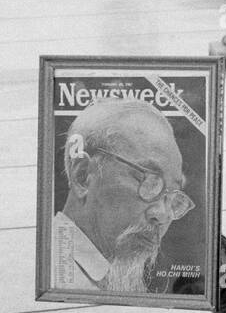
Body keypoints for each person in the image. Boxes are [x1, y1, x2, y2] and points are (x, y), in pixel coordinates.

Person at [53, 101, 193, 294]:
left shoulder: (116, 280)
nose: (162, 215)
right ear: (83, 177)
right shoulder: (50, 271)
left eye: (172, 196)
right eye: (149, 181)